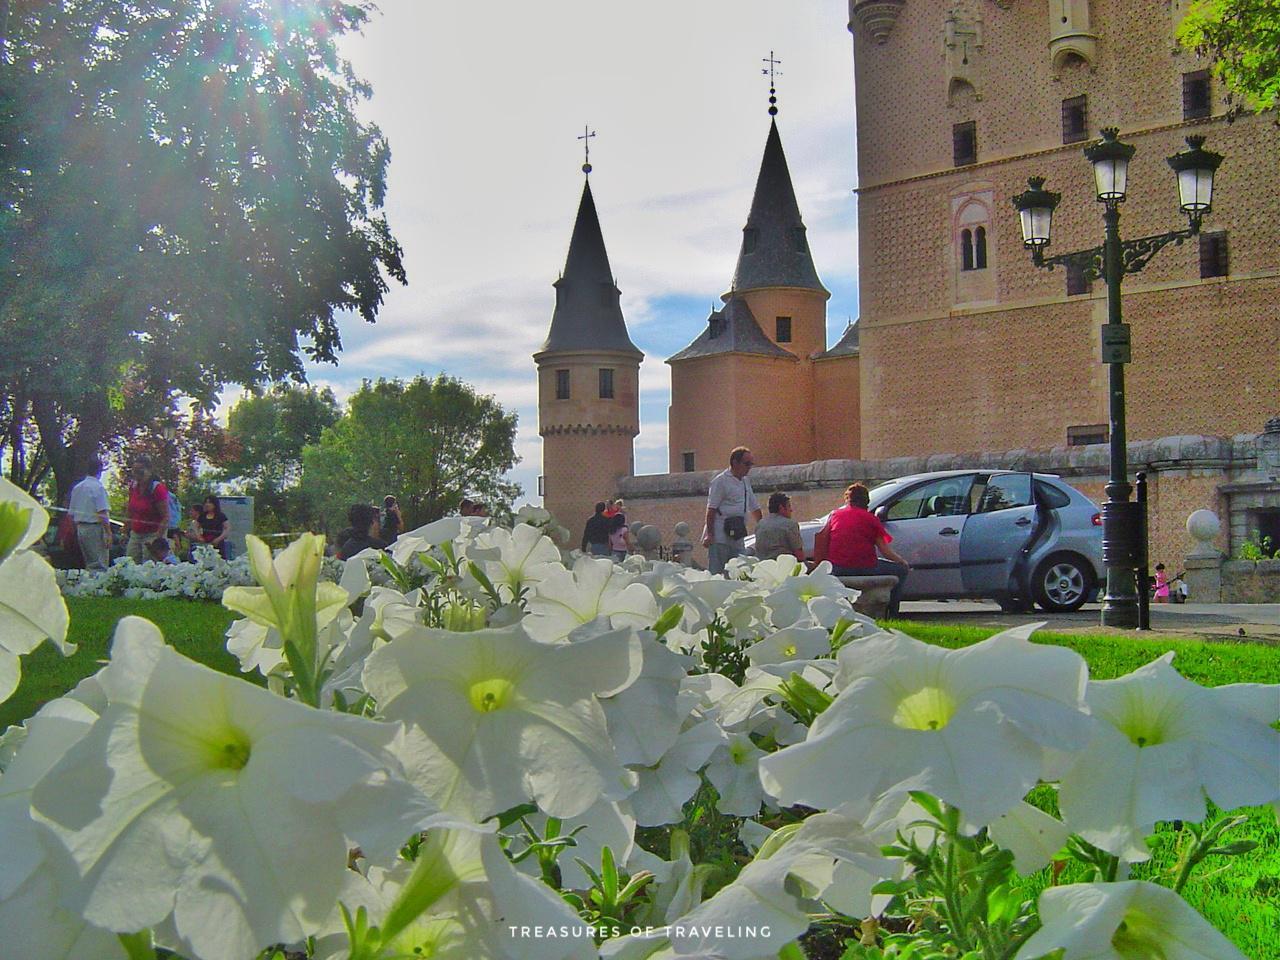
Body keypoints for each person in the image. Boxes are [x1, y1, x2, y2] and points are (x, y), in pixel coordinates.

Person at [813, 482, 911, 616]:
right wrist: (902, 561)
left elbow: (823, 540)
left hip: (837, 567)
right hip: (866, 567)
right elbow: (885, 551)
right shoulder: (871, 519)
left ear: (847, 499)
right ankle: (892, 612)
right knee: (901, 570)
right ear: (866, 501)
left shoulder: (834, 515)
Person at [703, 446, 762, 575]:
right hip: (720, 535)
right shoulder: (720, 481)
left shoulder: (746, 482)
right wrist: (710, 534)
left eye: (751, 464)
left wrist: (762, 528)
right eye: (746, 464)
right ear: (735, 463)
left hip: (738, 533)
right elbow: (711, 509)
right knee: (717, 572)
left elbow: (754, 507)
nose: (749, 468)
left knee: (739, 571)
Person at [67, 457, 112, 572]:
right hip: (94, 528)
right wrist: (108, 533)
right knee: (99, 565)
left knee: (89, 563)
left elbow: (71, 513)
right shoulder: (98, 488)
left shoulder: (77, 488)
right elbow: (102, 512)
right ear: (99, 471)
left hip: (80, 528)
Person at [124, 456, 170, 562]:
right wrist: (125, 530)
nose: (137, 474)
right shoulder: (133, 487)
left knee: (149, 563)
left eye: (140, 470)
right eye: (134, 471)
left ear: (149, 470)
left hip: (152, 533)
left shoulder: (157, 489)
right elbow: (130, 510)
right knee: (129, 562)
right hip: (136, 533)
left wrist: (157, 538)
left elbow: (166, 517)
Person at [754, 492, 806, 564]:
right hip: (784, 565)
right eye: (789, 506)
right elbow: (799, 554)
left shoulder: (760, 524)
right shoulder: (790, 524)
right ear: (781, 507)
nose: (791, 510)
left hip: (762, 565)